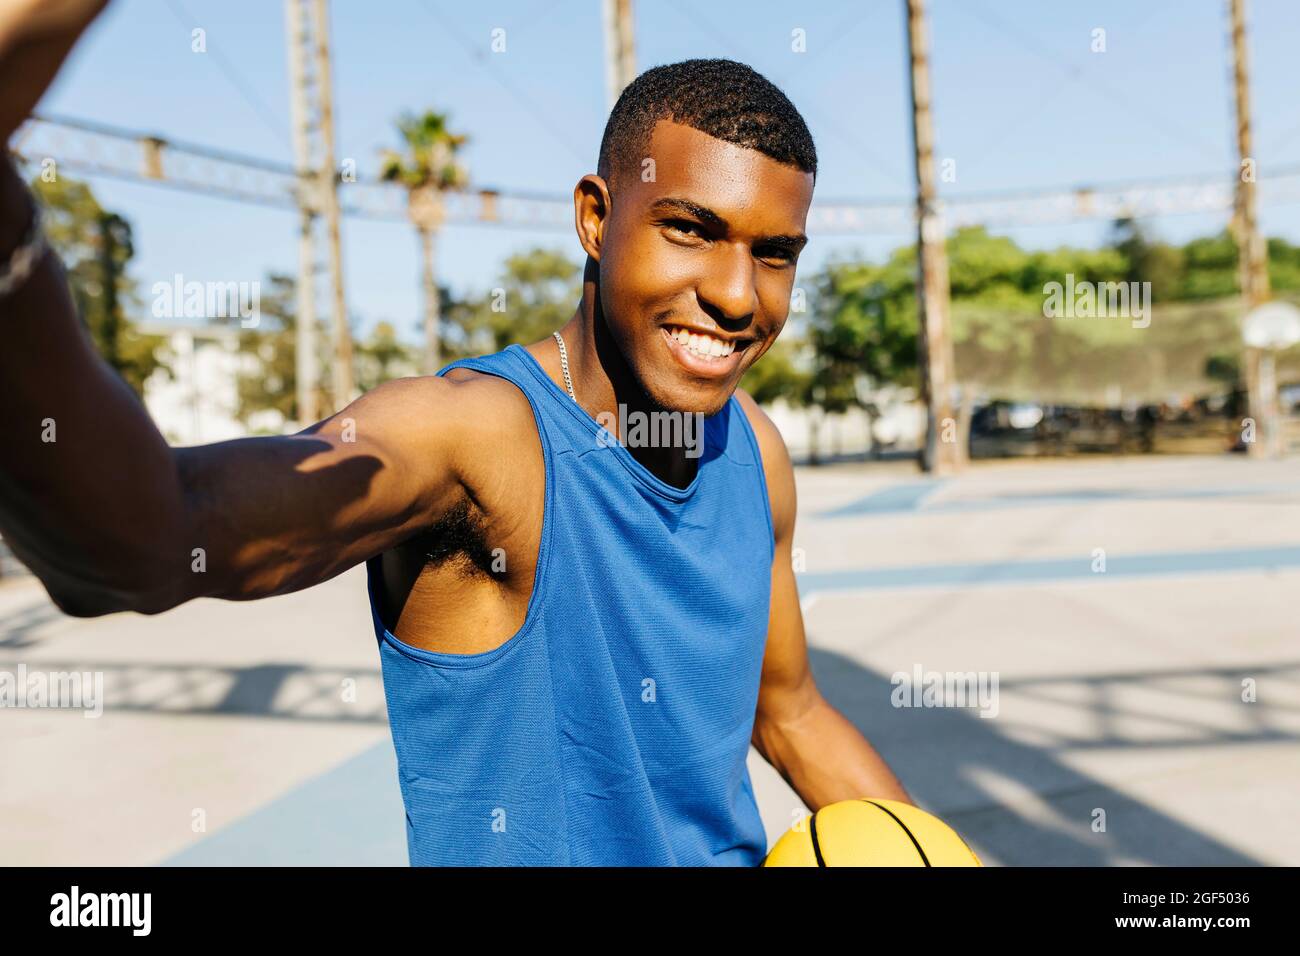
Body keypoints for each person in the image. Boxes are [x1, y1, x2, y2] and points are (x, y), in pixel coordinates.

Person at [0, 0, 910, 865]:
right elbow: (148, 542)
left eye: (774, 253)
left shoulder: (754, 452)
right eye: (689, 230)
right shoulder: (473, 437)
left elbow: (790, 714)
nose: (738, 294)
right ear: (597, 217)